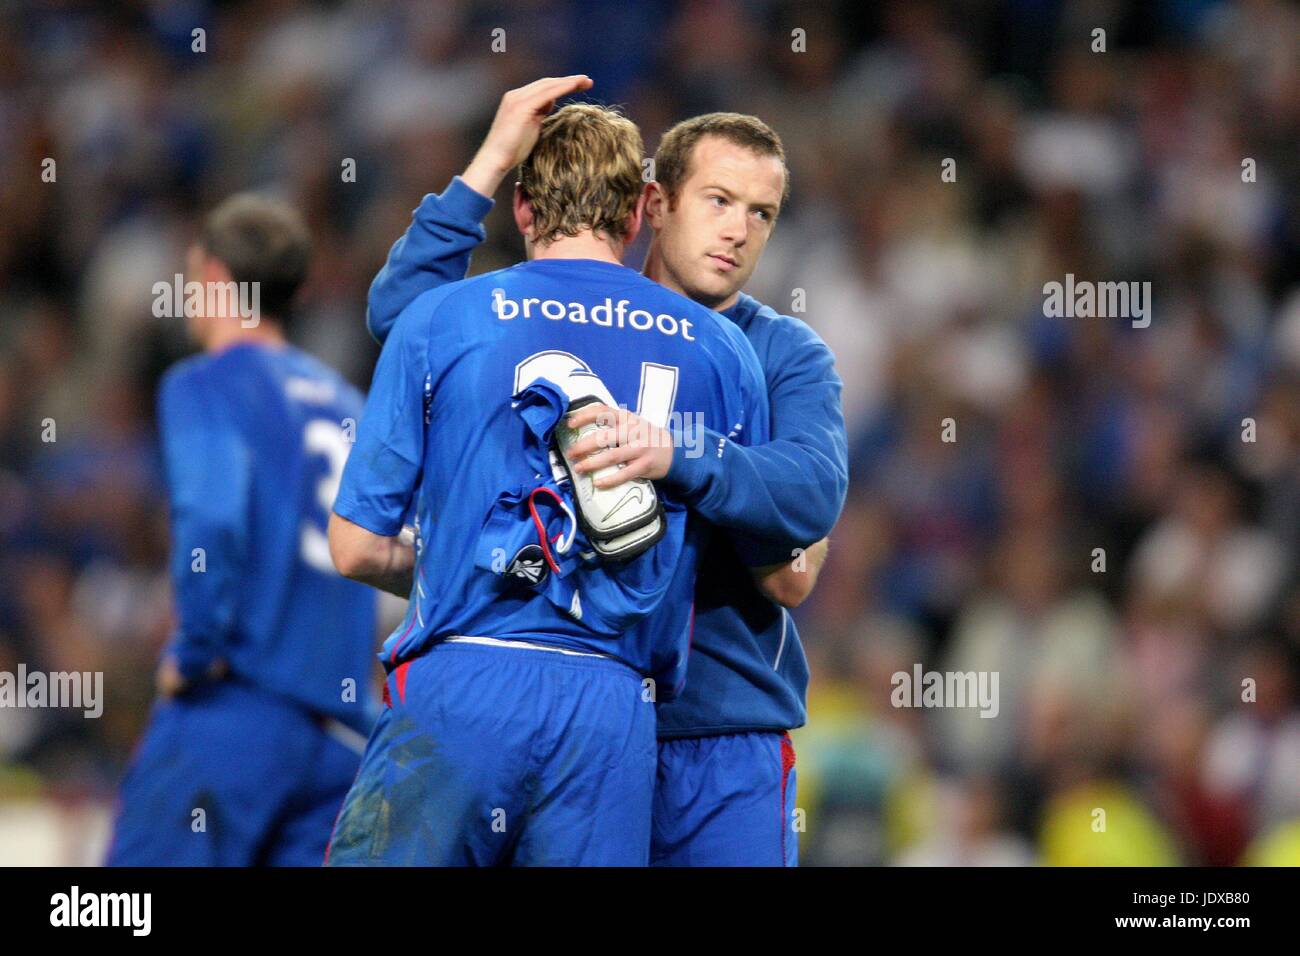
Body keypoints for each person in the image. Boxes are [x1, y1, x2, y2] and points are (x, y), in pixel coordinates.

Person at [365, 77, 848, 866]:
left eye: (762, 213)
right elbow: (404, 323)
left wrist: (676, 455)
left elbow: (810, 494)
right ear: (651, 204)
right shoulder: (551, 308)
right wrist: (488, 163)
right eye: (719, 200)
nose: (740, 231)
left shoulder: (783, 351)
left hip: (721, 729)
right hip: (576, 715)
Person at [107, 195, 378, 866]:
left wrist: (195, 649)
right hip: (337, 746)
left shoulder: (208, 381)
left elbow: (211, 518)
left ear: (218, 280)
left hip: (235, 713)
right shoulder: (352, 404)